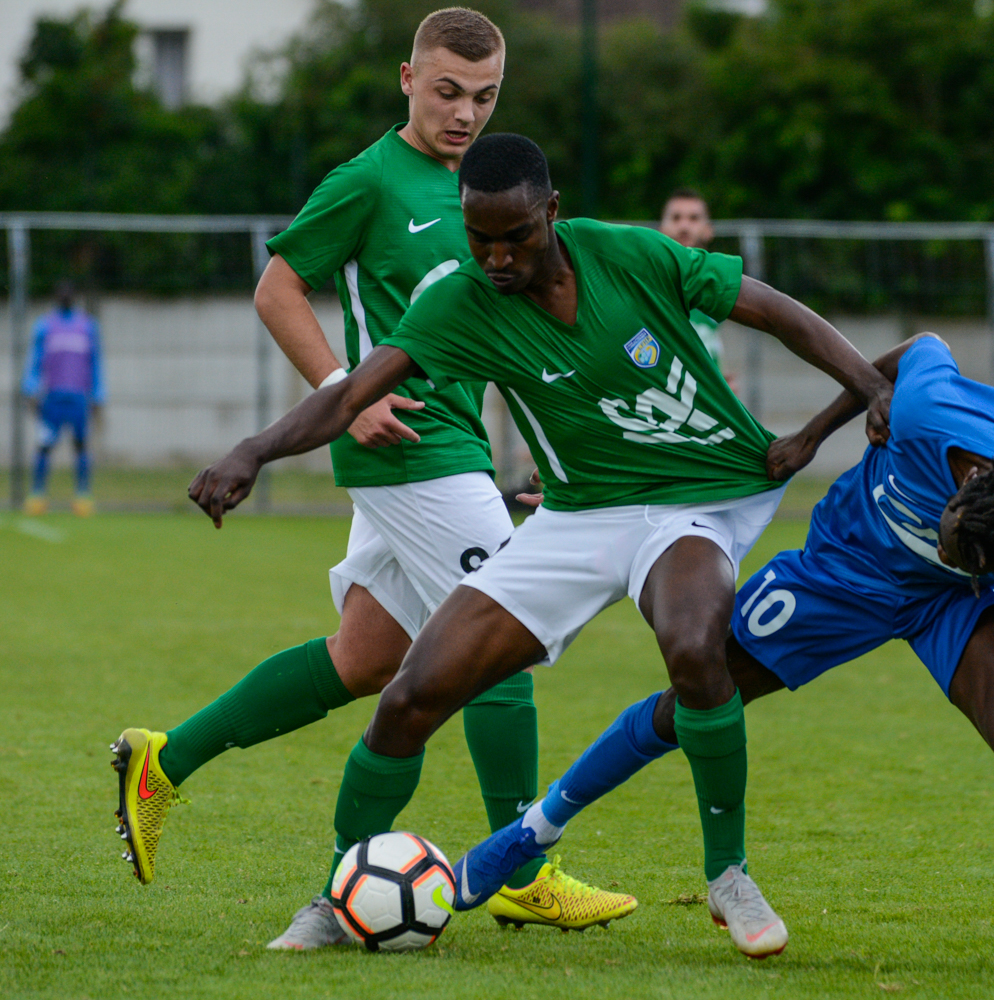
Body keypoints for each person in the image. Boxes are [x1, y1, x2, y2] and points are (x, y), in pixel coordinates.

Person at [188, 132, 893, 959]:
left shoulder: (630, 254)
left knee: (694, 645)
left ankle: (729, 875)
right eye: (478, 237)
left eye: (514, 236)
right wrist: (253, 452)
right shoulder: (458, 302)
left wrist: (867, 386)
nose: (495, 258)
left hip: (697, 500)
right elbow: (350, 396)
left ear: (551, 211)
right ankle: (337, 897)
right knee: (410, 696)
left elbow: (773, 309)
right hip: (580, 516)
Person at [108, 9, 634, 951]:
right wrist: (341, 393)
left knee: (365, 661)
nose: (465, 113)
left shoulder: (483, 191)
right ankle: (523, 875)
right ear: (407, 79)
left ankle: (165, 762)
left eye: (484, 97)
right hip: (405, 447)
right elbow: (278, 287)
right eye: (448, 92)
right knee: (502, 642)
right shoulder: (367, 180)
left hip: (453, 448)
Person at [459, 333, 994, 971]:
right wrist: (815, 433)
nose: (945, 552)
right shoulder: (927, 411)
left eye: (965, 558)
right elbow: (919, 347)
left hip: (952, 604)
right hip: (847, 566)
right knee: (696, 695)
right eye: (946, 540)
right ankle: (532, 833)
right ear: (967, 484)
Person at [23, 282, 104, 516]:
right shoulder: (45, 326)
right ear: (56, 297)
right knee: (44, 445)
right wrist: (30, 388)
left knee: (81, 446)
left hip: (78, 398)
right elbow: (35, 360)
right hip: (52, 398)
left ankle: (82, 496)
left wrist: (98, 394)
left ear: (74, 297)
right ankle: (38, 495)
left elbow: (95, 363)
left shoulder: (87, 327)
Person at [660, 190, 728, 374]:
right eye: (676, 218)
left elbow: (711, 341)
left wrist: (723, 379)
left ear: (708, 230)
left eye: (694, 218)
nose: (684, 226)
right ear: (661, 229)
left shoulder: (717, 288)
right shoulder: (645, 286)